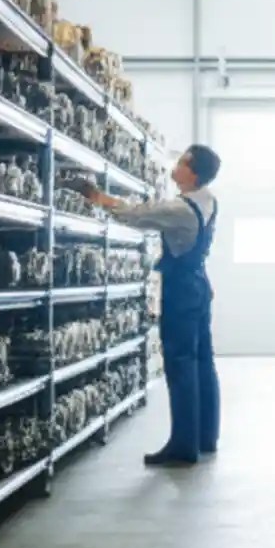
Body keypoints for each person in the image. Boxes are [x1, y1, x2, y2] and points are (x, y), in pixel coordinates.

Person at [66, 145, 221, 467]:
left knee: (180, 365)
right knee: (203, 362)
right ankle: (206, 437)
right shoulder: (208, 201)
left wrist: (97, 196)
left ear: (192, 172)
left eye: (181, 162)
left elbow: (135, 215)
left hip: (181, 290)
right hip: (199, 285)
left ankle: (183, 447)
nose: (175, 166)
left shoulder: (180, 208)